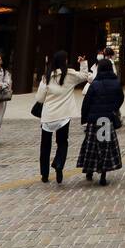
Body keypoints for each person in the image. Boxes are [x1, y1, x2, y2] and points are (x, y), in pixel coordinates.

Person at [35, 50, 88, 184]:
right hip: (63, 116)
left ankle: (44, 174)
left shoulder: (47, 76)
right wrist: (82, 63)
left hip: (48, 115)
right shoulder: (69, 74)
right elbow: (85, 76)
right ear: (65, 61)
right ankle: (59, 164)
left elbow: (40, 98)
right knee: (62, 142)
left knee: (45, 146)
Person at [77, 58, 125, 184]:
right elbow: (121, 98)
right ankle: (103, 175)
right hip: (106, 119)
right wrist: (113, 109)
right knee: (104, 145)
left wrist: (84, 118)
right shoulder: (116, 83)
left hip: (94, 120)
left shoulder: (95, 84)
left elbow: (86, 102)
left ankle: (89, 170)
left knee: (92, 145)